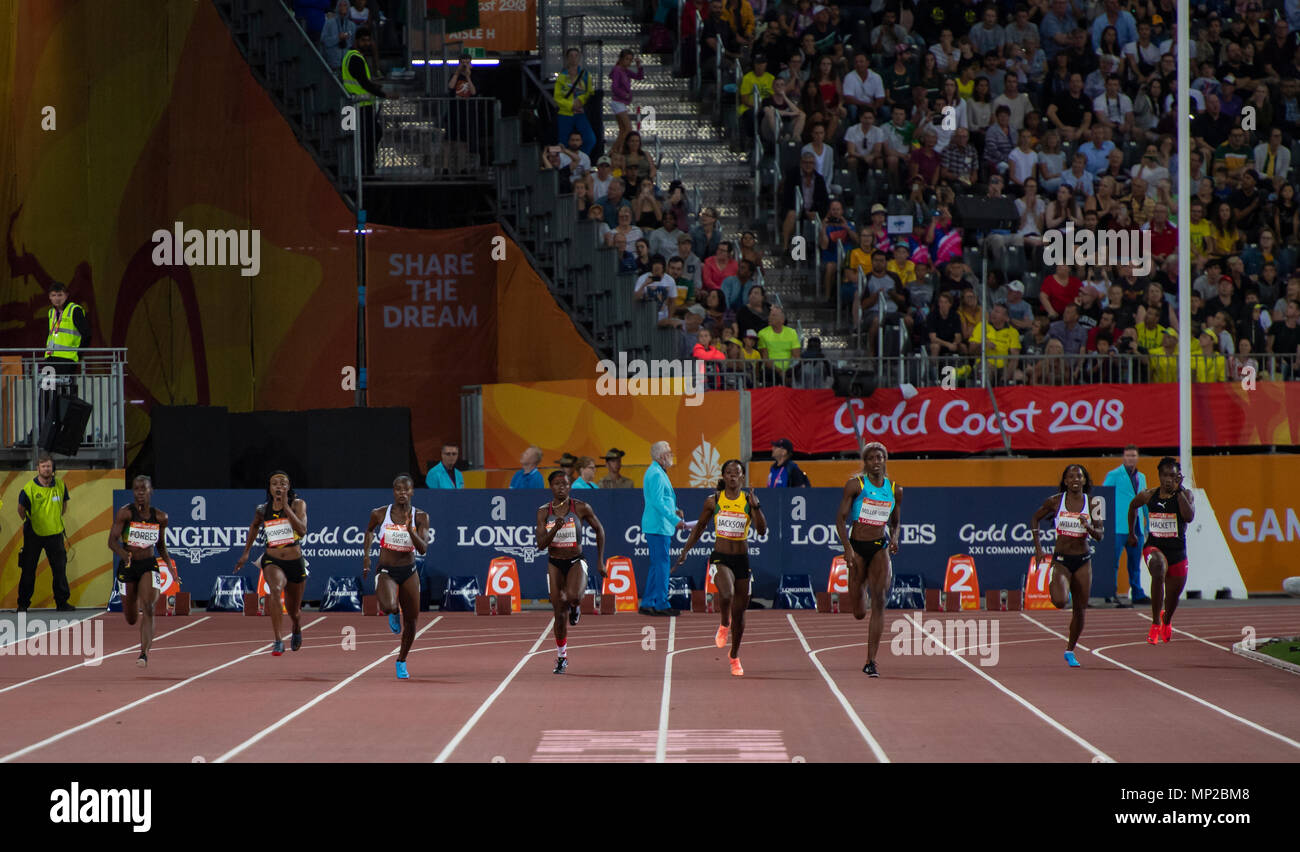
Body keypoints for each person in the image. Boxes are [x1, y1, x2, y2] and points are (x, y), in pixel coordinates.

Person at [674, 460, 767, 676]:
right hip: (720, 557)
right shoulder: (714, 500)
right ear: (723, 476)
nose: (733, 476)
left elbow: (761, 531)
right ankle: (724, 622)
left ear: (742, 477)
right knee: (726, 594)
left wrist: (756, 508)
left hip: (742, 559)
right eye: (729, 473)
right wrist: (685, 550)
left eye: (737, 473)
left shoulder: (748, 499)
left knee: (741, 611)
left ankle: (734, 656)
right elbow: (699, 527)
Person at [834, 442, 902, 677]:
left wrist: (894, 538)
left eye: (880, 457)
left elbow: (895, 521)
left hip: (879, 547)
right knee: (859, 612)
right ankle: (859, 588)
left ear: (885, 460)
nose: (876, 461)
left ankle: (870, 661)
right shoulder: (856, 485)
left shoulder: (894, 489)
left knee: (880, 600)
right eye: (872, 458)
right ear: (865, 462)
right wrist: (847, 549)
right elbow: (840, 520)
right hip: (857, 548)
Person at [1031, 464, 1104, 667]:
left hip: (1083, 561)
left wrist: (1087, 526)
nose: (1075, 479)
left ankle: (1070, 650)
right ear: (1065, 481)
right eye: (1070, 476)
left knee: (1080, 610)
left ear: (1084, 480)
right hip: (1061, 560)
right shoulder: (1055, 501)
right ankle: (1059, 586)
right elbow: (1035, 519)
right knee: (1061, 601)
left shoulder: (1095, 503)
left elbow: (1099, 535)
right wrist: (1038, 549)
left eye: (1079, 476)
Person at [536, 470, 606, 673]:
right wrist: (554, 530)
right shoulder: (543, 512)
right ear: (551, 487)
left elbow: (599, 530)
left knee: (574, 597)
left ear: (570, 486)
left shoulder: (581, 507)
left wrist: (600, 561)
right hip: (555, 562)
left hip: (576, 560)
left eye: (565, 484)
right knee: (559, 614)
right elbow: (541, 545)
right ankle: (562, 657)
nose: (562, 487)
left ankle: (576, 606)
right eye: (557, 484)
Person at [233, 471, 309, 656]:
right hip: (272, 560)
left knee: (294, 611)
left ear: (288, 487)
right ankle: (277, 640)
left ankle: (297, 627)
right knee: (275, 590)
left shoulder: (298, 504)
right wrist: (245, 554)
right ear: (269, 487)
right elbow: (253, 526)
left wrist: (285, 507)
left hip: (295, 561)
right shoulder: (262, 510)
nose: (279, 487)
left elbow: (302, 530)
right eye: (275, 483)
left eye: (283, 483)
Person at [362, 476, 429, 679]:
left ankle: (401, 660)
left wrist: (410, 531)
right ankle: (392, 611)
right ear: (393, 492)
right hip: (387, 570)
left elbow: (423, 549)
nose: (402, 493)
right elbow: (369, 531)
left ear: (412, 492)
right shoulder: (380, 513)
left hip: (409, 570)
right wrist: (366, 556)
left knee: (412, 621)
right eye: (398, 489)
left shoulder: (421, 517)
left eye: (406, 489)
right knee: (389, 606)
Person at [107, 475, 174, 667]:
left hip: (148, 565)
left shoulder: (160, 517)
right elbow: (111, 541)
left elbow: (161, 545)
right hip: (128, 566)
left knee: (150, 607)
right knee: (130, 618)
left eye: (144, 489)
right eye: (136, 489)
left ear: (150, 491)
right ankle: (133, 597)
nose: (140, 493)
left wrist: (169, 564)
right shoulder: (125, 514)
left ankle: (143, 653)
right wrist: (123, 553)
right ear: (133, 492)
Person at [1127, 457, 1195, 645]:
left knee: (1172, 598)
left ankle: (1167, 619)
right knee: (1158, 569)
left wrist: (1179, 490)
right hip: (1154, 546)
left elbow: (1189, 517)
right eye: (1164, 475)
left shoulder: (1186, 494)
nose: (1168, 479)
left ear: (1178, 477)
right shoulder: (1149, 495)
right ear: (1159, 476)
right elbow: (1133, 506)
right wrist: (1132, 533)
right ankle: (1156, 622)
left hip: (1177, 552)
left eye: (1172, 476)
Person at [15, 454, 74, 613]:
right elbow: (21, 510)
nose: (46, 469)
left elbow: (63, 506)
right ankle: (23, 604)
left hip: (55, 534)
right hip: (33, 534)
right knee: (28, 570)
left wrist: (53, 520)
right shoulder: (29, 488)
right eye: (43, 466)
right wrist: (30, 521)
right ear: (38, 469)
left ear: (52, 469)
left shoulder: (60, 485)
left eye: (49, 466)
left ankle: (62, 603)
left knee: (59, 570)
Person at [39, 281, 90, 441]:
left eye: (60, 295)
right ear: (49, 297)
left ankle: (71, 433)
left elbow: (87, 334)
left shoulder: (74, 310)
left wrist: (77, 356)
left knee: (65, 397)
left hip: (66, 361)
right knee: (46, 396)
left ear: (66, 295)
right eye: (53, 295)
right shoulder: (50, 313)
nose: (57, 299)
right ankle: (47, 431)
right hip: (50, 360)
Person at [341, 28, 396, 178]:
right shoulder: (356, 58)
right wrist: (383, 94)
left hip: (354, 105)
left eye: (368, 40)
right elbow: (364, 83)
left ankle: (364, 168)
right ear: (357, 41)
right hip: (360, 106)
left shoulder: (350, 56)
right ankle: (365, 169)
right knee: (369, 137)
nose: (367, 43)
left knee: (368, 136)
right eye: (364, 40)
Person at [640, 440, 686, 616]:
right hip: (658, 526)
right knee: (662, 566)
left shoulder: (656, 472)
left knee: (657, 566)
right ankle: (661, 604)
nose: (671, 455)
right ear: (661, 457)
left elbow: (659, 500)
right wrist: (675, 519)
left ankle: (648, 602)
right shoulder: (656, 474)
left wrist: (675, 510)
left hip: (658, 525)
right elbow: (658, 502)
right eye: (669, 452)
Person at [1102, 445, 1149, 607]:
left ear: (1137, 457)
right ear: (1123, 457)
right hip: (1118, 526)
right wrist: (1104, 522)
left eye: (1133, 455)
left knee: (1135, 564)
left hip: (1137, 527)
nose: (1130, 458)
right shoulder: (1114, 475)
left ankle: (1137, 593)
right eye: (1128, 455)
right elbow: (1103, 497)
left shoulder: (1142, 477)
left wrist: (1147, 525)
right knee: (1113, 562)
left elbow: (1145, 501)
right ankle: (1110, 593)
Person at [554, 47, 596, 154]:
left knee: (590, 139)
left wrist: (581, 100)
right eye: (571, 56)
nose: (573, 58)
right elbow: (557, 97)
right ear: (567, 58)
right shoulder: (561, 76)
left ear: (579, 58)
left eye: (576, 56)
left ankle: (580, 159)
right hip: (565, 113)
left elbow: (590, 92)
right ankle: (565, 163)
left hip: (580, 113)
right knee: (562, 142)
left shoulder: (586, 75)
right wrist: (571, 105)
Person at [320, 0, 356, 71]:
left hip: (346, 62)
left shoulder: (352, 25)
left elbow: (352, 44)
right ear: (337, 7)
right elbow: (324, 41)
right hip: (332, 61)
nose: (342, 7)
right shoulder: (329, 23)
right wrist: (338, 38)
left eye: (345, 5)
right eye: (340, 5)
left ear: (348, 7)